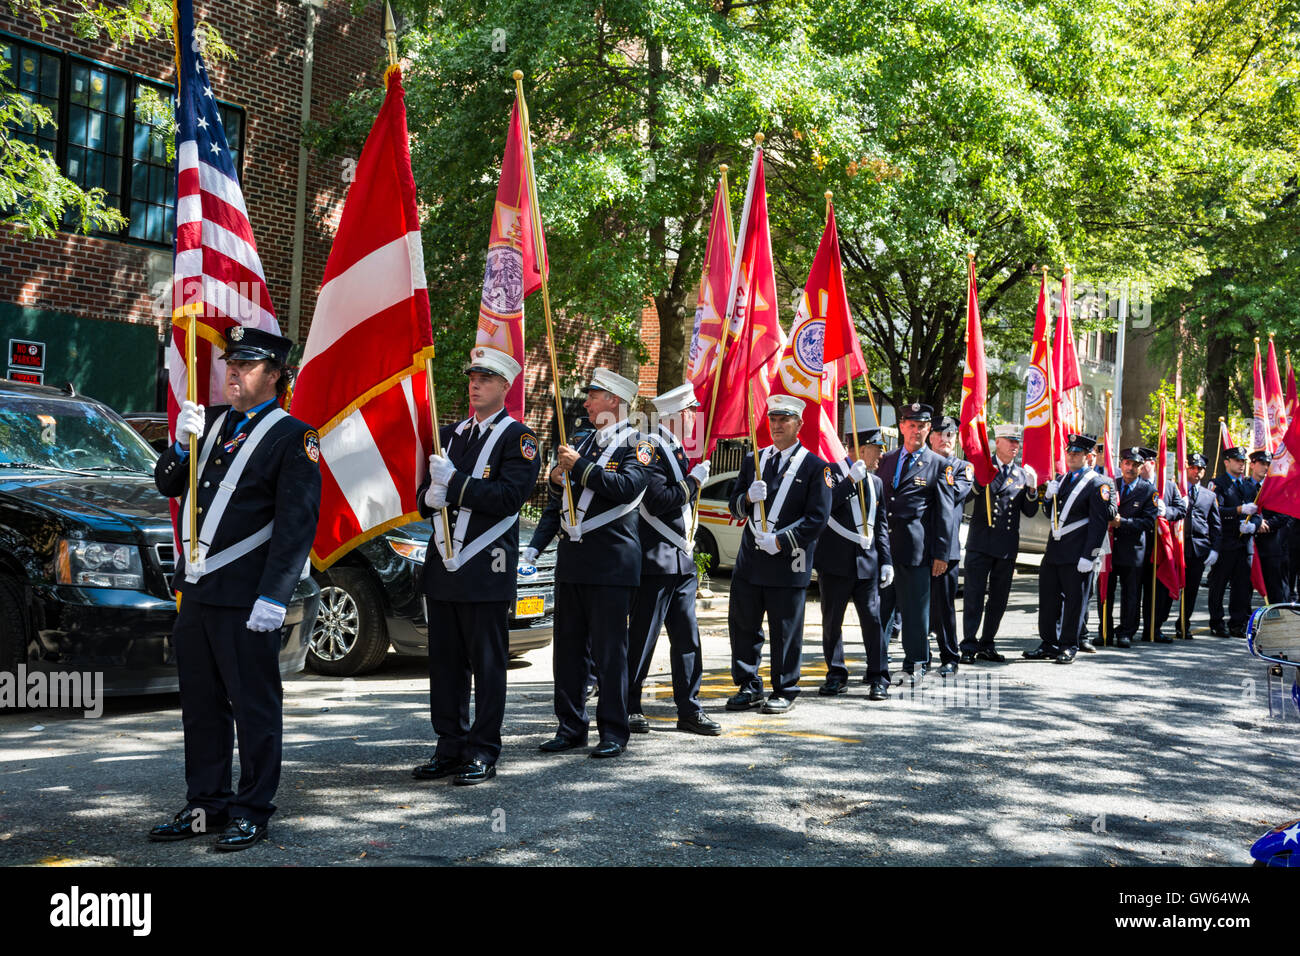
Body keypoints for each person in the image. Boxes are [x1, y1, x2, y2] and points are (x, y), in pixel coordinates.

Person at [149, 326, 320, 851]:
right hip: (200, 592)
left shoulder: (295, 437)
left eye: (245, 366)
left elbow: (296, 525)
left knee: (254, 707)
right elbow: (167, 485)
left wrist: (275, 595)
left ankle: (252, 809)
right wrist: (180, 445)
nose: (232, 373)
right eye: (230, 364)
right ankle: (206, 805)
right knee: (200, 706)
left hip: (248, 598)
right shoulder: (212, 424)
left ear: (274, 376)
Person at [410, 347, 541, 785]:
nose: (475, 383)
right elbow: (428, 494)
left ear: (505, 386)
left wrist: (456, 484)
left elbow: (508, 497)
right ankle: (449, 745)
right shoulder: (447, 435)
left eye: (486, 377)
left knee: (486, 666)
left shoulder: (517, 439)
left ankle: (483, 750)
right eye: (472, 376)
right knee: (444, 666)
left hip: (485, 566)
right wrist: (427, 498)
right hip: (444, 566)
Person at [537, 367, 649, 759]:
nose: (585, 402)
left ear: (614, 401)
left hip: (612, 565)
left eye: (593, 395)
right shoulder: (582, 442)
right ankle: (570, 726)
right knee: (567, 651)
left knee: (609, 653)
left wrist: (578, 468)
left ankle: (614, 732)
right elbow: (560, 499)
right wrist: (555, 476)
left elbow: (626, 488)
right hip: (574, 560)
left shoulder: (638, 443)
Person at [725, 394, 831, 713]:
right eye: (773, 419)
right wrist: (745, 497)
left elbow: (817, 518)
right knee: (743, 626)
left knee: (785, 630)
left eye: (784, 420)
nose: (777, 425)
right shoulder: (753, 460)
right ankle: (748, 684)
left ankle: (784, 687)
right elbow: (733, 506)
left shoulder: (814, 467)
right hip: (750, 560)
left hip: (787, 561)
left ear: (799, 424)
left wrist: (783, 541)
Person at [625, 383, 721, 737]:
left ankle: (690, 708)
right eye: (691, 412)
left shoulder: (676, 450)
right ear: (677, 415)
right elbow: (657, 500)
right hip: (656, 559)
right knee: (643, 638)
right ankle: (629, 704)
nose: (695, 418)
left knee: (687, 639)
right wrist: (694, 482)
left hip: (680, 560)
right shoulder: (648, 446)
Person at [815, 429, 893, 700]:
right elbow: (823, 506)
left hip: (867, 565)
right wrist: (849, 482)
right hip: (835, 563)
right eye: (877, 448)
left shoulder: (876, 483)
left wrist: (887, 562)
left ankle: (878, 676)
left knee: (873, 622)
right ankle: (836, 675)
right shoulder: (830, 473)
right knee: (832, 622)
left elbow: (880, 526)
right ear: (860, 449)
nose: (881, 455)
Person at [877, 403, 954, 681]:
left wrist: (941, 554)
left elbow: (945, 513)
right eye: (911, 425)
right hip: (884, 550)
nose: (916, 431)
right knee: (881, 611)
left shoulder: (939, 465)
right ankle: (879, 665)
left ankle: (916, 663)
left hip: (917, 551)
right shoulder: (887, 460)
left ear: (928, 429)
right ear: (901, 427)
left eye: (921, 426)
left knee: (914, 614)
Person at [1024, 433, 1111, 663]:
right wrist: (1047, 498)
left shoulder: (1097, 483)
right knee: (1048, 599)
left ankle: (1068, 644)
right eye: (1069, 453)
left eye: (1077, 454)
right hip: (1054, 551)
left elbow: (1099, 523)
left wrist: (1089, 556)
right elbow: (1051, 516)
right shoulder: (1062, 479)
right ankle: (1049, 642)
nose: (1071, 457)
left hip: (1078, 552)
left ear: (1087, 456)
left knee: (1074, 601)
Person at [960, 423, 1038, 664]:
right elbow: (964, 497)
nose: (1016, 446)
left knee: (998, 599)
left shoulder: (1021, 474)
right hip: (981, 544)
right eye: (1011, 441)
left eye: (1018, 442)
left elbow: (1030, 511)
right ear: (998, 442)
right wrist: (977, 481)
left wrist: (1033, 489)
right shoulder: (983, 467)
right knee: (973, 596)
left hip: (1005, 547)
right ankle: (969, 645)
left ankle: (987, 643)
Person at [925, 415, 973, 675]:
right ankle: (921, 657)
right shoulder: (922, 463)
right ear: (930, 437)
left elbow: (953, 494)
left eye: (950, 435)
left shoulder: (963, 467)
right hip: (920, 546)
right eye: (940, 434)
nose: (945, 439)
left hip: (946, 549)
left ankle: (950, 656)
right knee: (920, 605)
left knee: (944, 607)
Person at [1154, 452, 1220, 639]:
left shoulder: (1209, 495)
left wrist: (1214, 549)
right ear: (1186, 468)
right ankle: (1158, 623)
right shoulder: (1176, 489)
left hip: (1197, 548)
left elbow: (1215, 525)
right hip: (1175, 546)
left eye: (1200, 469)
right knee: (1167, 587)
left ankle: (1183, 623)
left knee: (1191, 590)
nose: (1196, 472)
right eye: (1192, 467)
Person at [1101, 446, 1158, 649]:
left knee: (1130, 593)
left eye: (1135, 465)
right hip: (1109, 548)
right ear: (1121, 464)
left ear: (1141, 467)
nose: (1130, 468)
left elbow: (1148, 522)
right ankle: (1104, 630)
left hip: (1133, 549)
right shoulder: (1110, 485)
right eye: (1127, 463)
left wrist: (1122, 522)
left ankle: (1126, 631)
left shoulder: (1148, 491)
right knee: (1105, 590)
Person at [1207, 447, 1256, 637]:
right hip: (1225, 541)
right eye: (1237, 460)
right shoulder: (1217, 484)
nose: (1241, 464)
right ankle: (1217, 622)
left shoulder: (1248, 486)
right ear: (1226, 462)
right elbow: (1215, 512)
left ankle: (1237, 623)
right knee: (1218, 584)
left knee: (1241, 586)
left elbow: (1256, 512)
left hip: (1244, 543)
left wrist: (1253, 525)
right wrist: (1238, 510)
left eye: (1243, 461)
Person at [1246, 450, 1291, 604]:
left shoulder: (1277, 489)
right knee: (1244, 590)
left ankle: (1280, 620)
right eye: (1262, 463)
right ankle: (1242, 623)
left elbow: (1285, 514)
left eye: (1268, 464)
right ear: (1252, 465)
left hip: (1273, 546)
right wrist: (1254, 524)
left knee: (1276, 590)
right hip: (1248, 546)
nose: (1265, 467)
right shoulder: (1243, 486)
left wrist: (1266, 525)